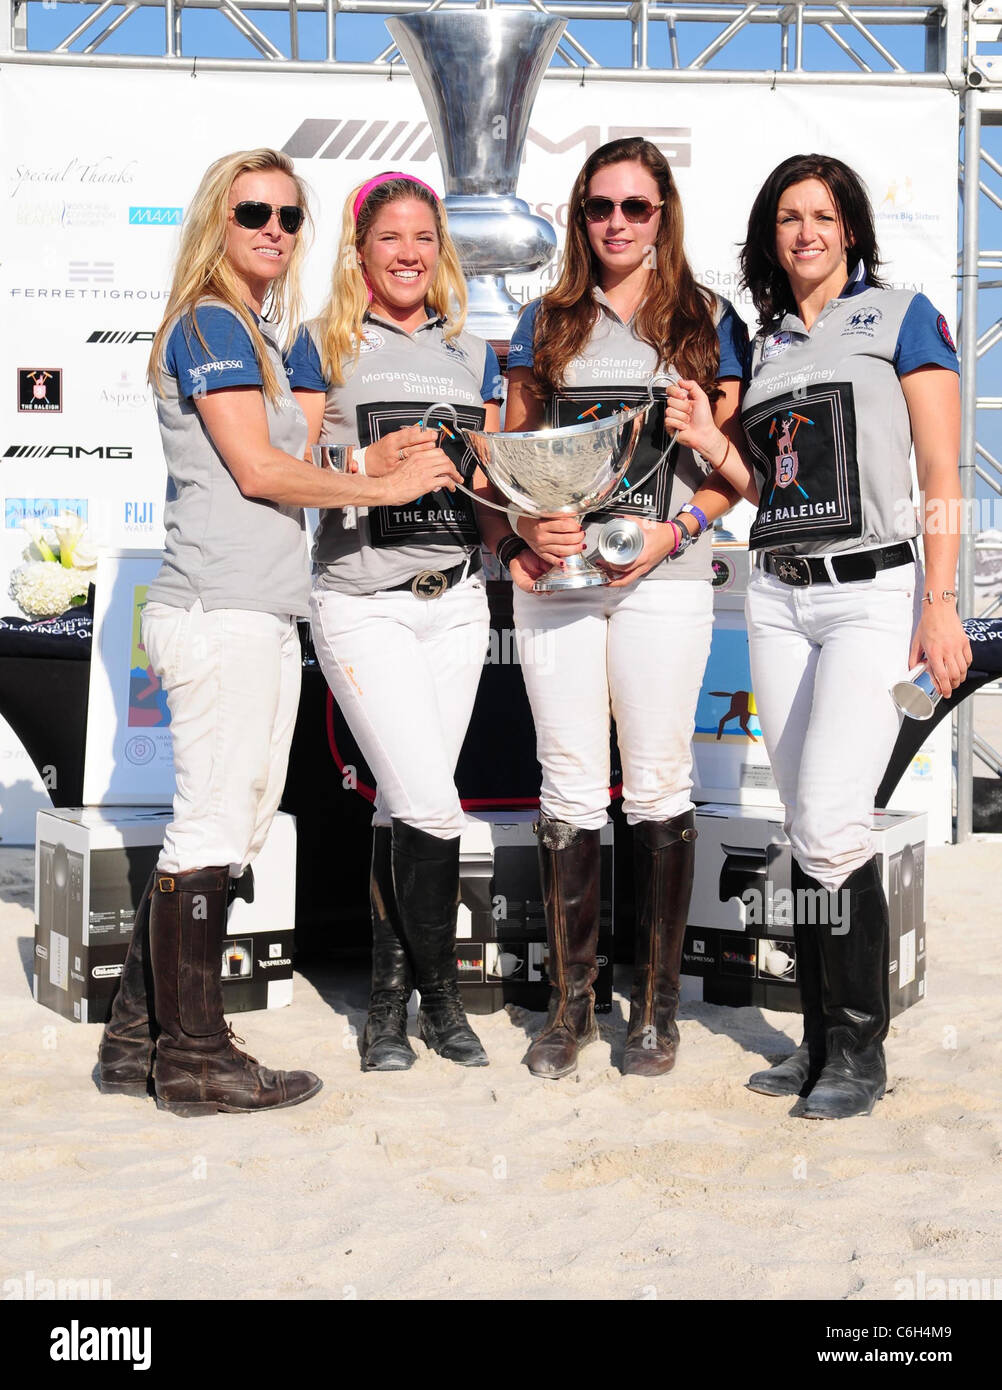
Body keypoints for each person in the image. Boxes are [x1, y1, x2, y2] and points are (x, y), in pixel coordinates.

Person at [98, 149, 459, 1115]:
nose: (272, 229)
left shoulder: (257, 331)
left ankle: (137, 1038)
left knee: (228, 827)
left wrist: (358, 451)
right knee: (211, 830)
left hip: (254, 610)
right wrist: (379, 486)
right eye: (254, 210)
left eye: (290, 217)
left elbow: (292, 451)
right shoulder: (212, 320)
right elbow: (259, 471)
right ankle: (199, 1057)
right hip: (217, 611)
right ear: (218, 218)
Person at [665, 152, 971, 1119]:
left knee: (836, 821)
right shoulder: (759, 349)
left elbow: (941, 470)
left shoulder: (904, 316)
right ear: (772, 236)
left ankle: (862, 1051)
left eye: (823, 215)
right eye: (789, 217)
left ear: (850, 230)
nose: (806, 231)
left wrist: (942, 599)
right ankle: (816, 1040)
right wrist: (715, 445)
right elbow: (773, 488)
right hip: (777, 596)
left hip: (874, 598)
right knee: (807, 827)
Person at [479, 137, 747, 1080]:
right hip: (559, 586)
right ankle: (573, 1009)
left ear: (663, 214)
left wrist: (678, 531)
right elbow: (501, 463)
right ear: (579, 216)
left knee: (662, 784)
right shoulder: (542, 319)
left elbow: (734, 469)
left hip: (664, 581)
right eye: (601, 207)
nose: (618, 224)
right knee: (569, 788)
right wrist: (517, 538)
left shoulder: (709, 320)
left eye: (637, 207)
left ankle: (659, 1011)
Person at [286, 171, 502, 1073]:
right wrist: (362, 457)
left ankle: (386, 1010)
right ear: (361, 252)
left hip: (455, 604)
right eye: (390, 239)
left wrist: (527, 496)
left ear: (439, 252)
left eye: (424, 239)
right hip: (359, 604)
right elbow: (281, 464)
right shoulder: (319, 344)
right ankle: (443, 1000)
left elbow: (493, 496)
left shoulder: (474, 355)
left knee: (398, 808)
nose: (409, 254)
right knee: (429, 801)